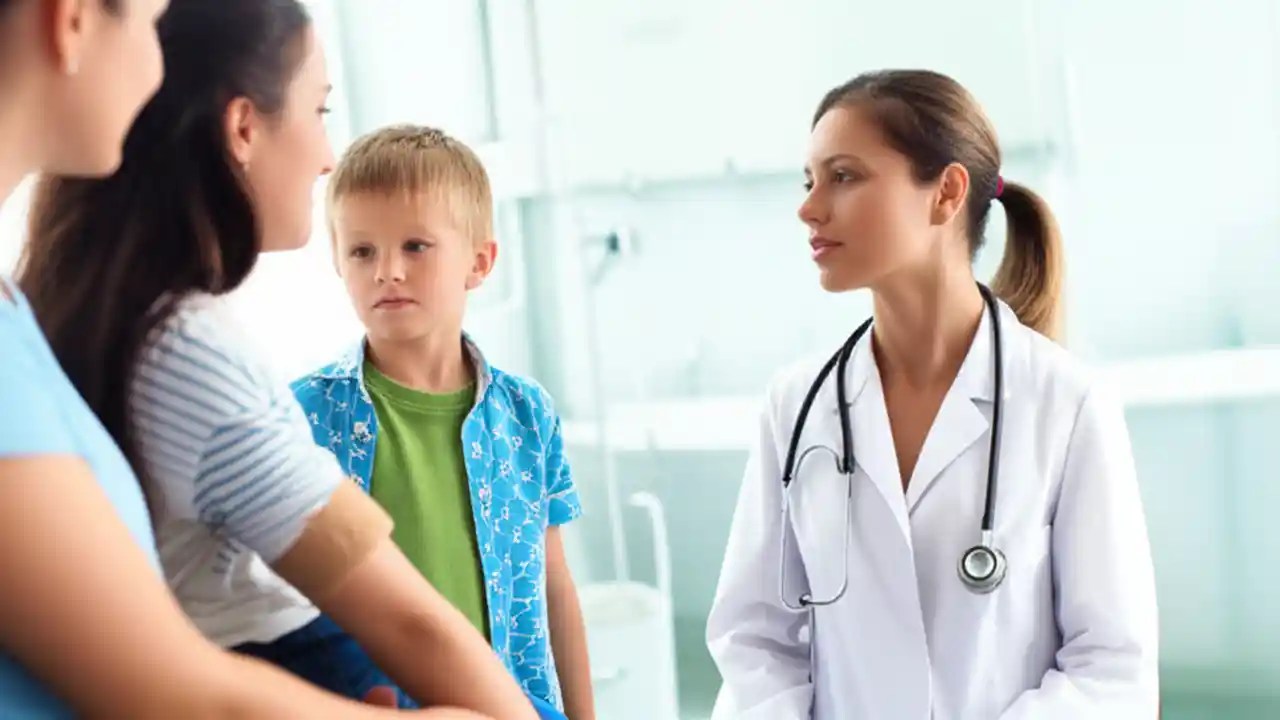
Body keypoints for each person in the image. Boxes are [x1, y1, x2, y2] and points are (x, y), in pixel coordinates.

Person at [17, 2, 537, 718]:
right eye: (320, 111)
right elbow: (409, 621)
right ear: (242, 128)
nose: (328, 156)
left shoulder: (50, 305)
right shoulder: (189, 353)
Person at [706, 69, 1160, 719]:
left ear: (946, 193)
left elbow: (1113, 667)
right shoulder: (797, 403)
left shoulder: (1067, 402)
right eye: (810, 181)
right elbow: (755, 643)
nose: (809, 208)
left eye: (844, 176)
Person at [290, 124, 594, 719]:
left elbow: (555, 587)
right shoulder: (304, 416)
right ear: (338, 263)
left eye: (415, 247)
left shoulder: (528, 415)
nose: (387, 271)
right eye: (362, 251)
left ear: (479, 262)